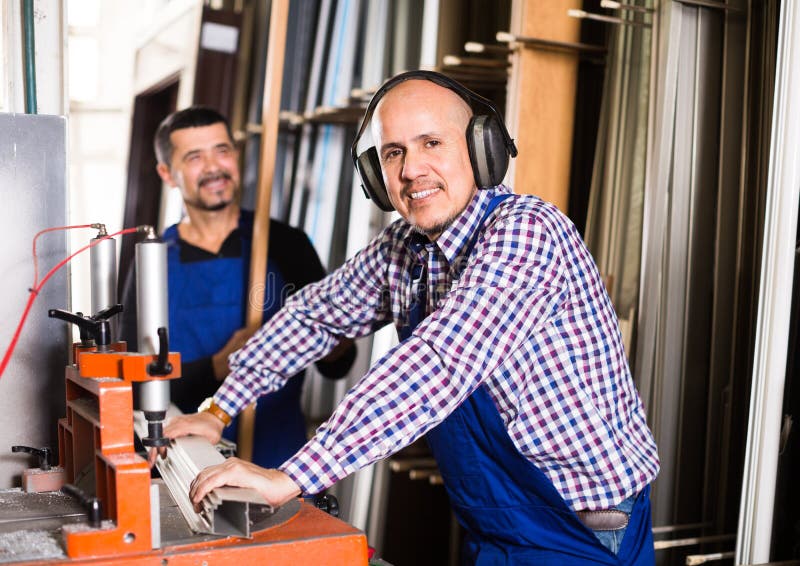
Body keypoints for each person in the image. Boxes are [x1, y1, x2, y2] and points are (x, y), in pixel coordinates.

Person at [166, 73, 660, 564]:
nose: (411, 170)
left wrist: (291, 476)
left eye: (432, 143)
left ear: (481, 149)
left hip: (580, 532)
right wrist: (219, 410)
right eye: (393, 153)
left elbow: (438, 364)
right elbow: (314, 317)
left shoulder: (529, 232)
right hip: (494, 526)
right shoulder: (403, 248)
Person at [120, 106, 356, 469]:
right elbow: (132, 384)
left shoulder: (286, 244)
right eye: (195, 157)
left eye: (222, 150)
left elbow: (339, 365)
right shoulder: (153, 262)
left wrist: (328, 341)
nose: (214, 167)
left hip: (279, 463)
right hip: (183, 463)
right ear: (167, 173)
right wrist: (217, 366)